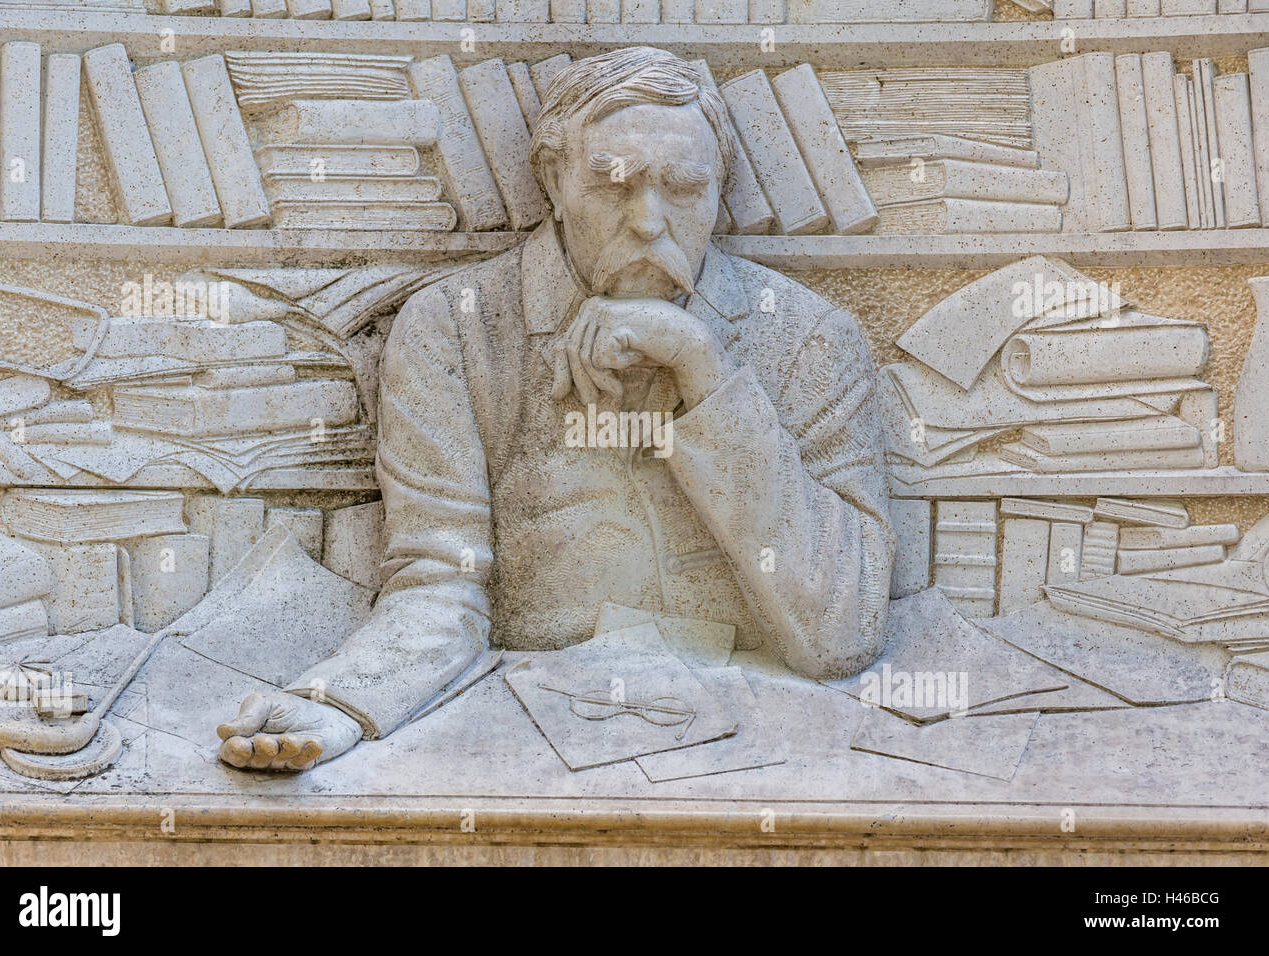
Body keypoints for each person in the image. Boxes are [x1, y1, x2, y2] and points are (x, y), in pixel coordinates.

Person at [216, 46, 894, 771]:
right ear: (553, 180)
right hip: (528, 721)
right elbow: (442, 578)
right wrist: (347, 700)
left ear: (720, 186)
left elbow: (839, 630)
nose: (649, 221)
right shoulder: (455, 326)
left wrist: (709, 371)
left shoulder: (809, 336)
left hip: (761, 726)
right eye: (613, 184)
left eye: (686, 186)